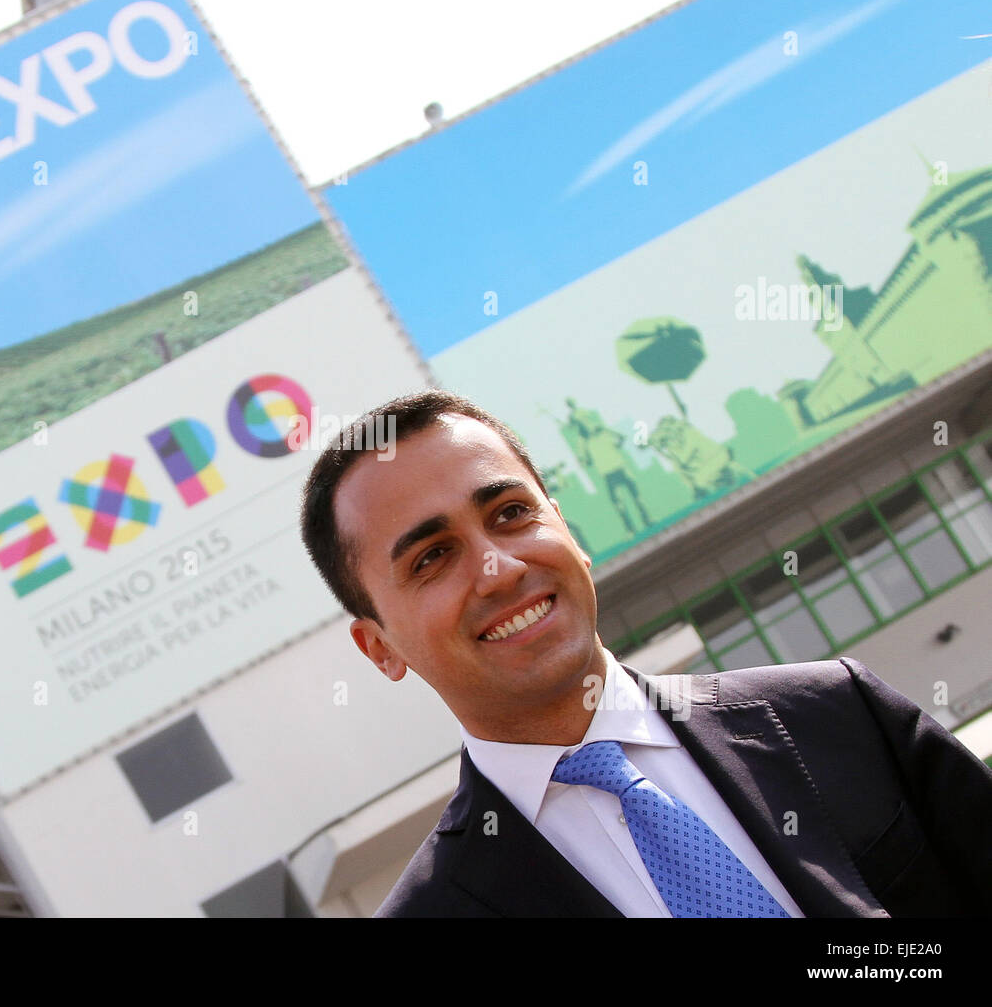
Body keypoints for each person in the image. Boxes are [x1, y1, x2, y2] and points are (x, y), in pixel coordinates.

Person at [298, 388, 992, 917]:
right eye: (432, 556)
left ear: (566, 528)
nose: (499, 569)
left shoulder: (837, 713)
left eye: (510, 513)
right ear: (379, 648)